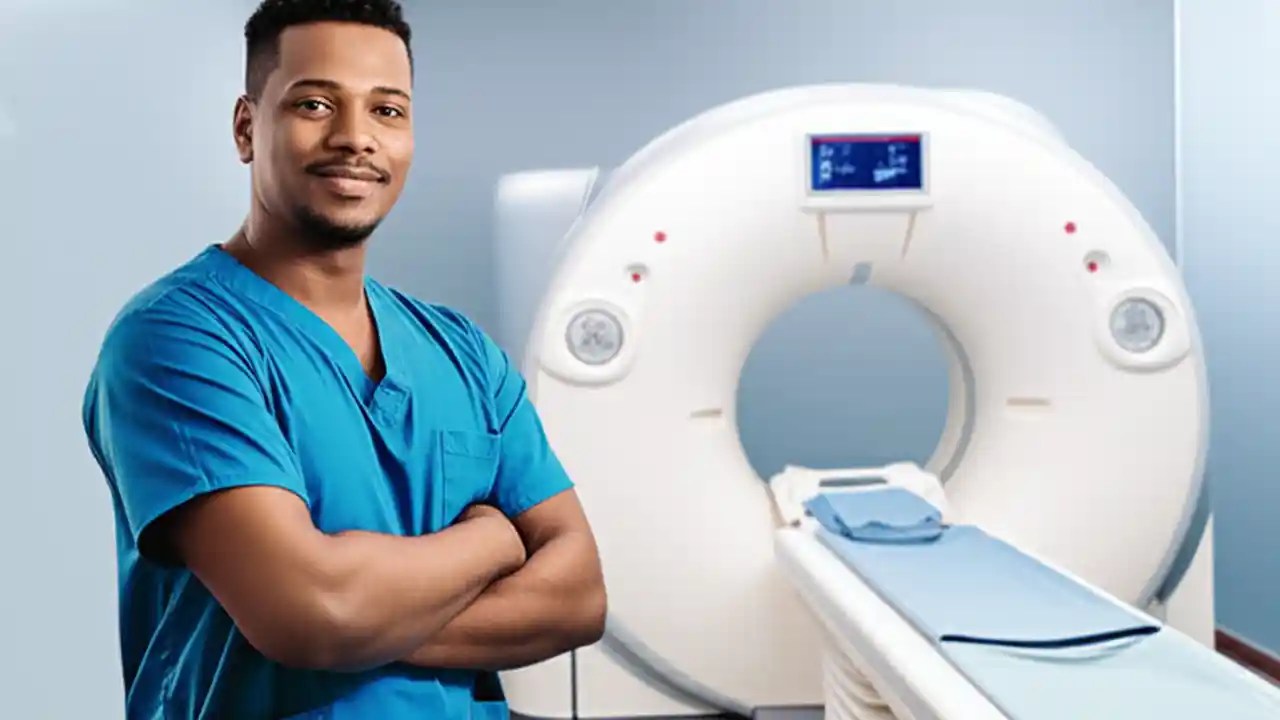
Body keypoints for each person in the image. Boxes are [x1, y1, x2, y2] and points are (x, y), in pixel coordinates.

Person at [80, 1, 607, 718]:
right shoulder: (177, 341)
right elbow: (313, 613)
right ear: (246, 127)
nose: (355, 138)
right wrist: (492, 540)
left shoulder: (463, 354)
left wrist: (362, 616)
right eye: (315, 103)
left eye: (387, 111)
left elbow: (579, 597)